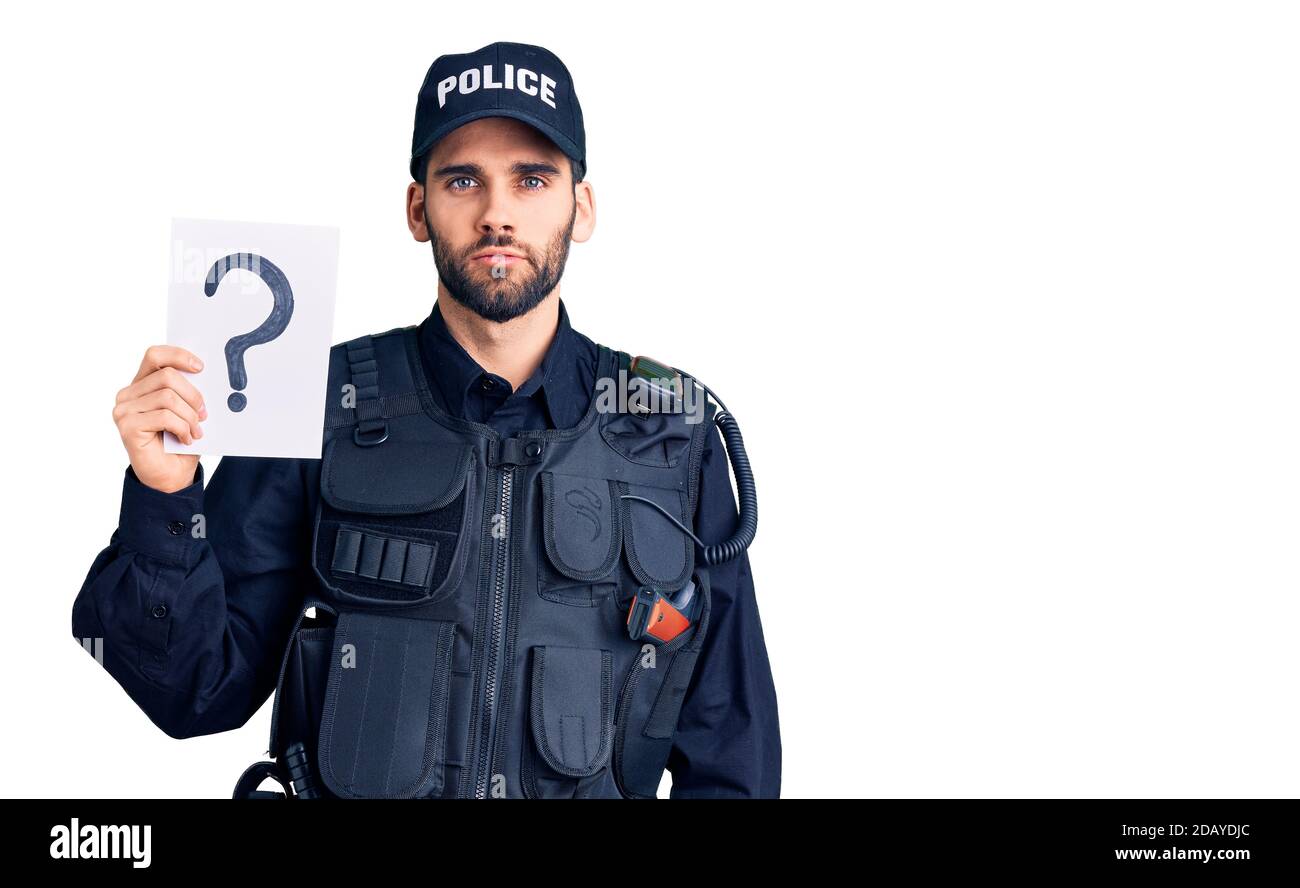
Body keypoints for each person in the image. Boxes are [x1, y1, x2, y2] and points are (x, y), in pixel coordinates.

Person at [73, 41, 780, 799]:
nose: (497, 213)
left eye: (532, 179)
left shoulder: (670, 432)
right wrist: (165, 495)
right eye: (463, 179)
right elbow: (193, 694)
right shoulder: (315, 400)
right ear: (419, 209)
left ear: (582, 208)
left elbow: (732, 755)